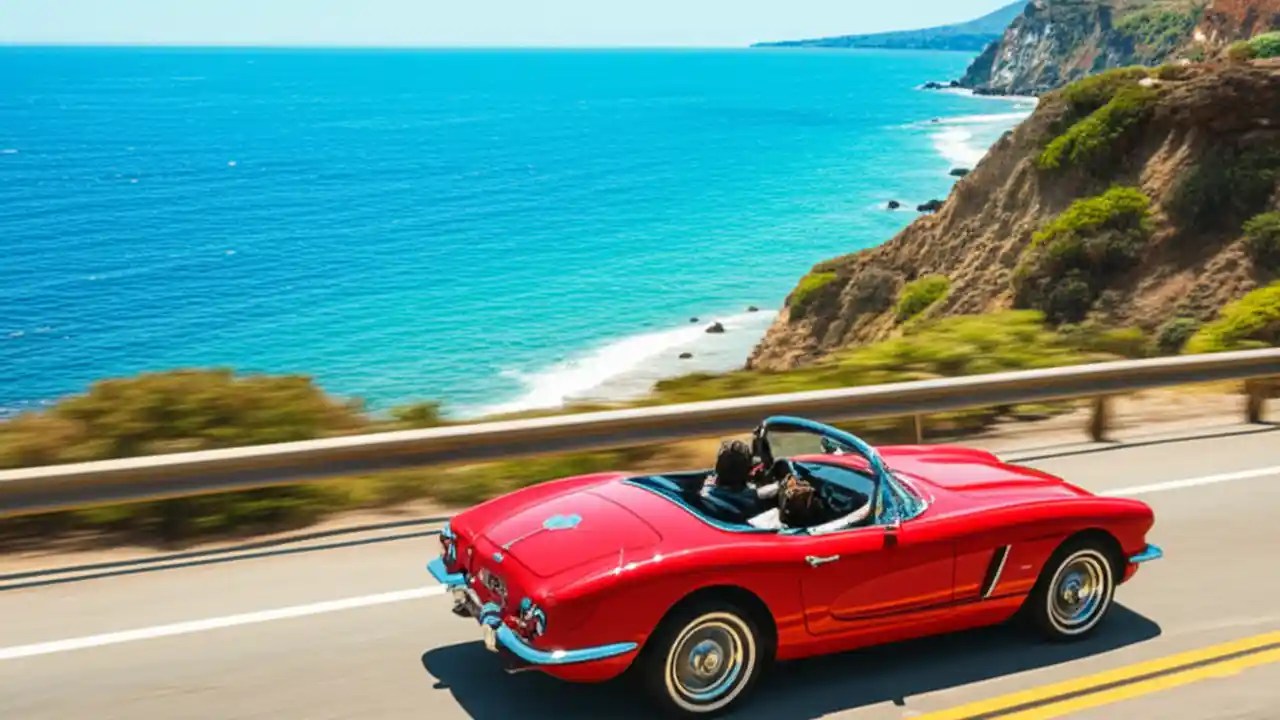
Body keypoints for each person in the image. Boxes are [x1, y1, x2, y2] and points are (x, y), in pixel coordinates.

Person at [700, 440, 776, 521]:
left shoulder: (708, 487)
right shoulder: (744, 498)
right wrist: (780, 485)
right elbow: (758, 494)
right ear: (745, 472)